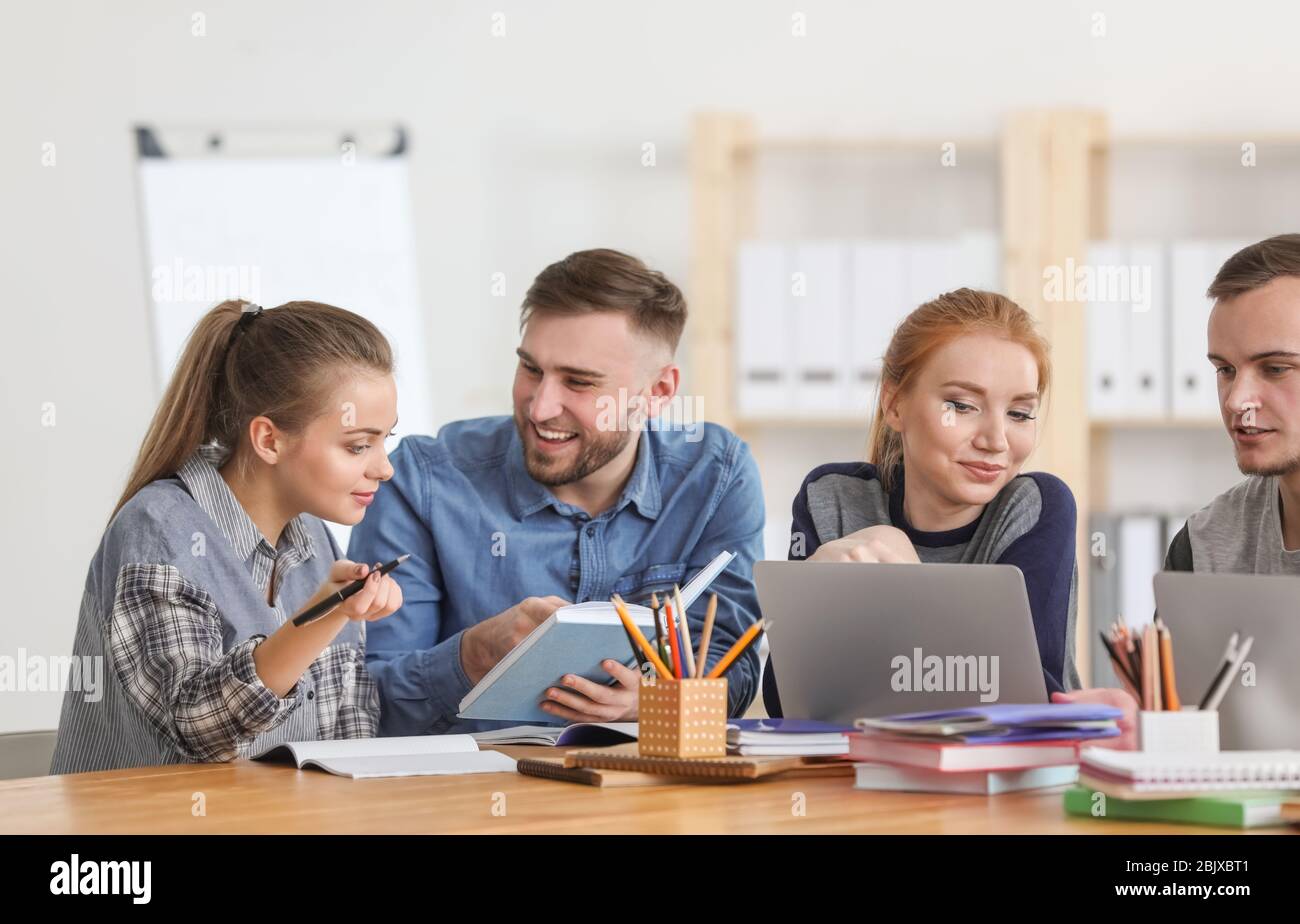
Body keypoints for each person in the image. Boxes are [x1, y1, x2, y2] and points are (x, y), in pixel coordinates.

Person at [349, 249, 766, 735]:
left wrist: (660, 701)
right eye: (531, 369)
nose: (541, 407)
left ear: (658, 393)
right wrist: (471, 656)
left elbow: (732, 669)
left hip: (647, 794)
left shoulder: (715, 476)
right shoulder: (422, 481)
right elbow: (366, 704)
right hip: (467, 798)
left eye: (579, 382)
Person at [51, 299, 403, 773]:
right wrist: (325, 615)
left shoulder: (315, 541)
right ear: (268, 440)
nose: (385, 468)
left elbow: (347, 736)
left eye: (386, 440)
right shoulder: (159, 529)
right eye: (359, 445)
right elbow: (196, 726)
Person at [763, 288, 1081, 717]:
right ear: (894, 404)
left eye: (1019, 413)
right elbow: (788, 703)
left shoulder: (1037, 508)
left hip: (1003, 778)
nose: (995, 440)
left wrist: (909, 593)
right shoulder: (833, 496)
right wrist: (810, 608)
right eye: (962, 406)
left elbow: (1030, 701)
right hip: (852, 775)